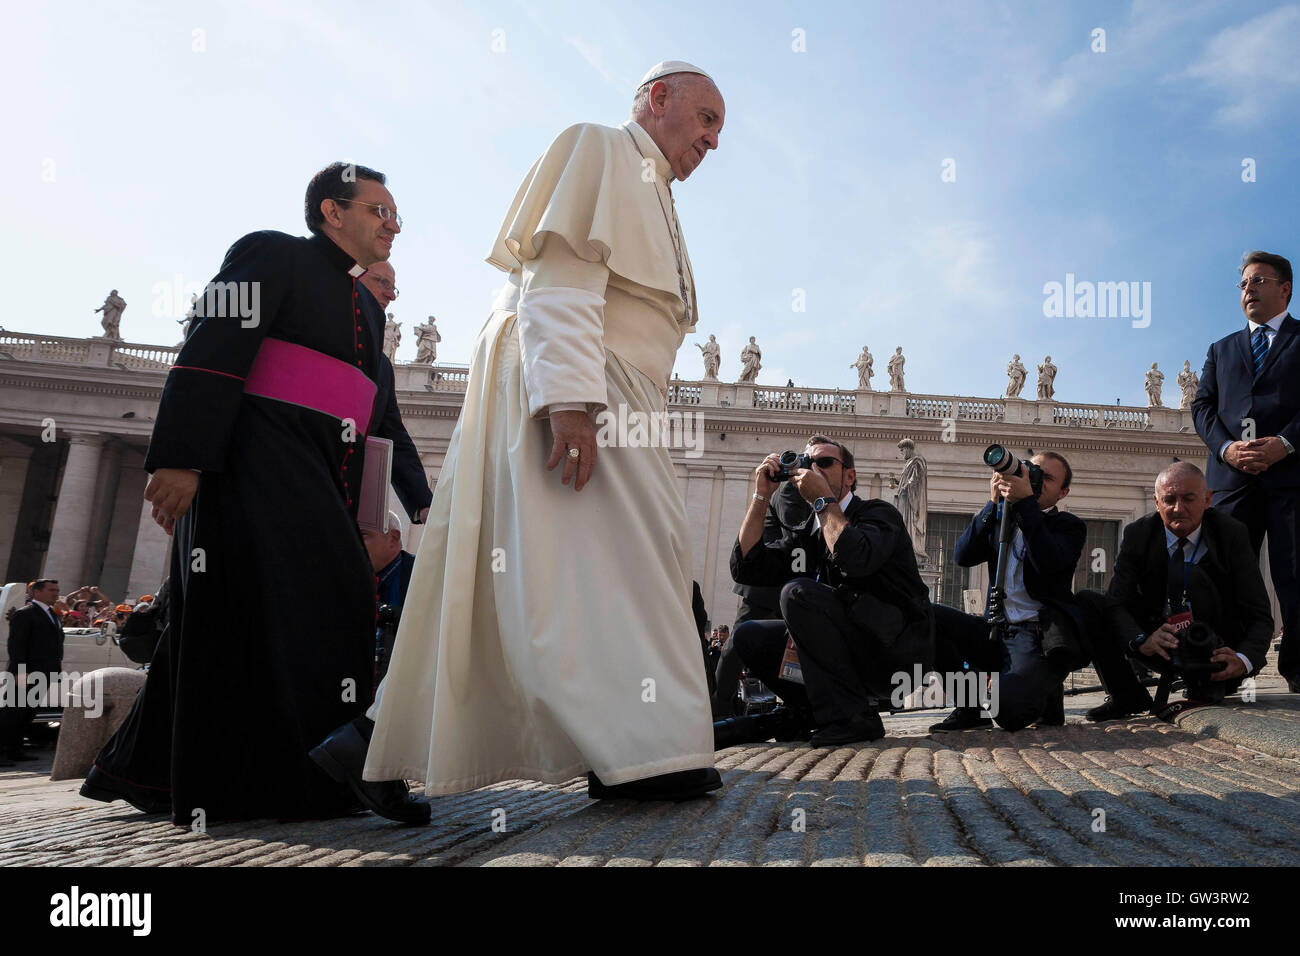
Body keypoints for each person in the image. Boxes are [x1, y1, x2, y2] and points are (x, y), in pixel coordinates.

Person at [317, 61, 726, 811]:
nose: (712, 140)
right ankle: (640, 753)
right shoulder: (599, 146)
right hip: (585, 378)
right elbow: (561, 275)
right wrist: (568, 399)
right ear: (658, 99)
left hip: (619, 388)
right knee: (620, 571)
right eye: (706, 119)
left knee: (536, 576)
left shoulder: (657, 193)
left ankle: (371, 747)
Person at [81, 162, 429, 825]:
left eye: (397, 216)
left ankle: (213, 773)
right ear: (333, 210)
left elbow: (381, 425)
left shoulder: (364, 309)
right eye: (380, 211)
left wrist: (421, 501)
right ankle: (298, 778)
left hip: (317, 480)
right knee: (264, 617)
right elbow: (214, 342)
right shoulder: (270, 252)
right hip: (250, 468)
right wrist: (183, 458)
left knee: (273, 622)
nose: (393, 226)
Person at [723, 436, 933, 747]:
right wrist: (760, 496)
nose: (814, 469)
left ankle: (854, 718)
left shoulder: (878, 514)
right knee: (748, 636)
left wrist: (822, 500)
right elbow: (747, 566)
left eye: (824, 463)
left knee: (797, 594)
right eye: (809, 464)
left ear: (850, 475)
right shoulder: (808, 534)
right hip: (848, 654)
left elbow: (855, 558)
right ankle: (812, 710)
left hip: (892, 654)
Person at [1080, 462, 1273, 720]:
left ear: (1207, 500)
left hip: (1212, 645)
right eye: (1169, 500)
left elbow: (1259, 613)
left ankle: (1207, 682)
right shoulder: (1138, 534)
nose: (1178, 509)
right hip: (1157, 641)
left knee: (1194, 577)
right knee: (1088, 602)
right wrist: (1141, 639)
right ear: (1156, 502)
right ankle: (1126, 695)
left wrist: (1243, 659)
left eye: (1188, 499)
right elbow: (1117, 601)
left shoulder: (1232, 534)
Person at [1191, 250, 1300, 693]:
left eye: (1258, 281)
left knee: (1295, 569)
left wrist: (1285, 443)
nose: (1248, 290)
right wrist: (1227, 447)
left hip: (1293, 475)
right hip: (1232, 478)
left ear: (1284, 288)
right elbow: (1202, 407)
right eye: (1243, 285)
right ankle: (1220, 667)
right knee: (1223, 572)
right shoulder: (1221, 349)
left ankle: (1297, 667)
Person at [929, 452, 1086, 732]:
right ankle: (969, 706)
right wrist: (993, 504)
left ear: (1063, 492)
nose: (1036, 480)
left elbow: (1049, 565)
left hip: (1034, 634)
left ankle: (1042, 687)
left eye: (1047, 478)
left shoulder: (1069, 526)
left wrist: (1026, 503)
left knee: (1007, 711)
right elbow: (962, 556)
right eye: (1032, 471)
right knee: (925, 614)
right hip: (995, 629)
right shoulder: (1003, 518)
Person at [716, 477, 812, 718]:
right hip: (768, 586)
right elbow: (797, 537)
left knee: (793, 648)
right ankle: (719, 707)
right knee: (736, 645)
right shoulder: (792, 490)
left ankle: (797, 705)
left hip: (784, 585)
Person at [360, 263, 433, 526]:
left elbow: (392, 435)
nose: (390, 295)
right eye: (382, 282)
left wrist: (423, 504)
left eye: (393, 288)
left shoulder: (381, 366)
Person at [2, 578, 63, 763]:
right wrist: (21, 671)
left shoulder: (51, 613)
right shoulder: (25, 614)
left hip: (44, 672)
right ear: (36, 592)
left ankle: (15, 749)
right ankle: (2, 751)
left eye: (57, 589)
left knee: (27, 713)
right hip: (26, 673)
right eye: (51, 590)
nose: (56, 593)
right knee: (13, 713)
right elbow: (16, 646)